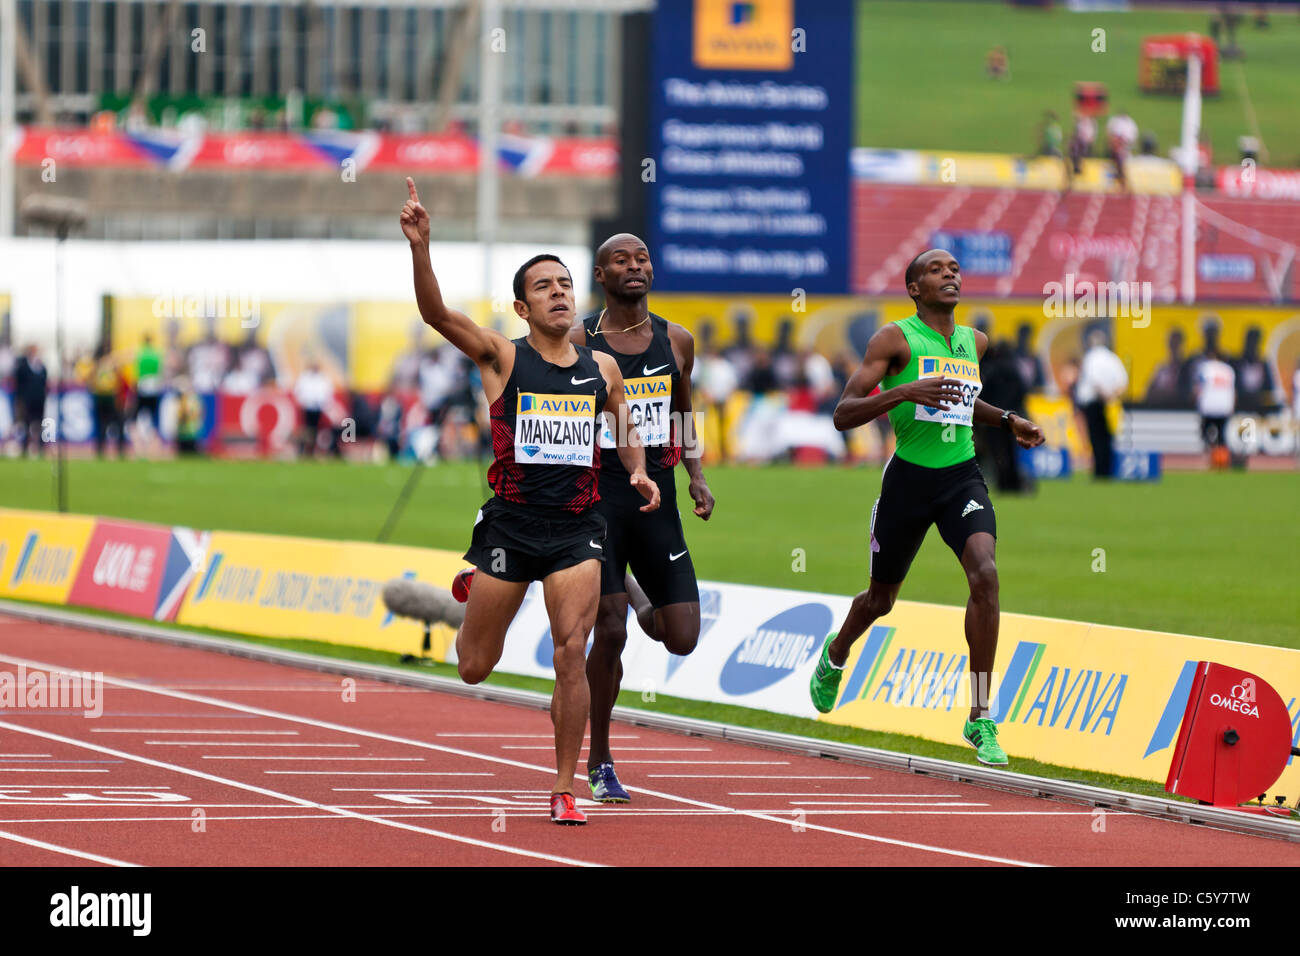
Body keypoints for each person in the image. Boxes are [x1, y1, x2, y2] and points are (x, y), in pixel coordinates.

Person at [400, 179, 659, 826]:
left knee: (571, 649)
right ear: (522, 307)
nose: (560, 293)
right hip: (511, 526)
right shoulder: (499, 357)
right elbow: (436, 315)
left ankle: (565, 786)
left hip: (579, 527)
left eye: (566, 284)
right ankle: (470, 590)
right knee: (473, 667)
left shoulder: (600, 369)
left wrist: (638, 471)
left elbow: (623, 425)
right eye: (545, 287)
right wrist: (421, 247)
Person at [807, 249, 1045, 767]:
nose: (950, 274)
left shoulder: (973, 341)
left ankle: (980, 716)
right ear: (914, 287)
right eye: (937, 270)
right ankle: (836, 652)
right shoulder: (893, 340)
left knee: (985, 574)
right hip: (908, 482)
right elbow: (843, 414)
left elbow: (962, 399)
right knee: (880, 599)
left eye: (955, 268)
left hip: (961, 477)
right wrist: (904, 391)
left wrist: (1007, 420)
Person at [572, 233, 714, 804]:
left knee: (681, 636)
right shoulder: (576, 339)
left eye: (642, 259)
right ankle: (600, 759)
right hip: (595, 498)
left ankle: (631, 586)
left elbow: (683, 411)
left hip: (657, 499)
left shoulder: (676, 340)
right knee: (609, 631)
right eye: (621, 261)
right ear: (601, 276)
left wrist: (697, 476)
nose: (635, 267)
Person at [1075, 329, 1128, 478]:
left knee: (1096, 438)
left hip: (1094, 402)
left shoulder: (1091, 357)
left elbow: (1094, 381)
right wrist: (1111, 396)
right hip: (1109, 403)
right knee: (1106, 436)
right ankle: (1108, 470)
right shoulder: (1112, 358)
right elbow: (1123, 381)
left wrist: (1104, 395)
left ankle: (1100, 471)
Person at [1195, 345, 1236, 467]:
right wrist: (1232, 406)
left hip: (1208, 406)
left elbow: (1199, 387)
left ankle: (1209, 458)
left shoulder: (1206, 368)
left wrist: (1197, 401)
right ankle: (1222, 461)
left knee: (1205, 433)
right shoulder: (1229, 370)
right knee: (1222, 436)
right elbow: (1233, 391)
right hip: (1224, 406)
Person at [89, 344, 126, 458]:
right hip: (105, 397)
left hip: (107, 397)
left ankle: (112, 449)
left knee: (110, 424)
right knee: (105, 424)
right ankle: (104, 449)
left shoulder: (103, 366)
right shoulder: (106, 366)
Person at [12, 345, 48, 457]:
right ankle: (25, 447)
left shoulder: (41, 366)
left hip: (39, 400)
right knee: (26, 423)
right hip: (27, 400)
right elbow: (18, 381)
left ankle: (41, 448)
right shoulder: (22, 366)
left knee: (40, 423)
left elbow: (44, 381)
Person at [293, 361, 333, 458]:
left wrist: (324, 404)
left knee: (314, 430)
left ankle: (311, 450)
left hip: (318, 408)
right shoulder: (305, 377)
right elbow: (298, 391)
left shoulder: (323, 378)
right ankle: (303, 449)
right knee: (307, 429)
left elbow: (327, 393)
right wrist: (304, 402)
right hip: (307, 408)